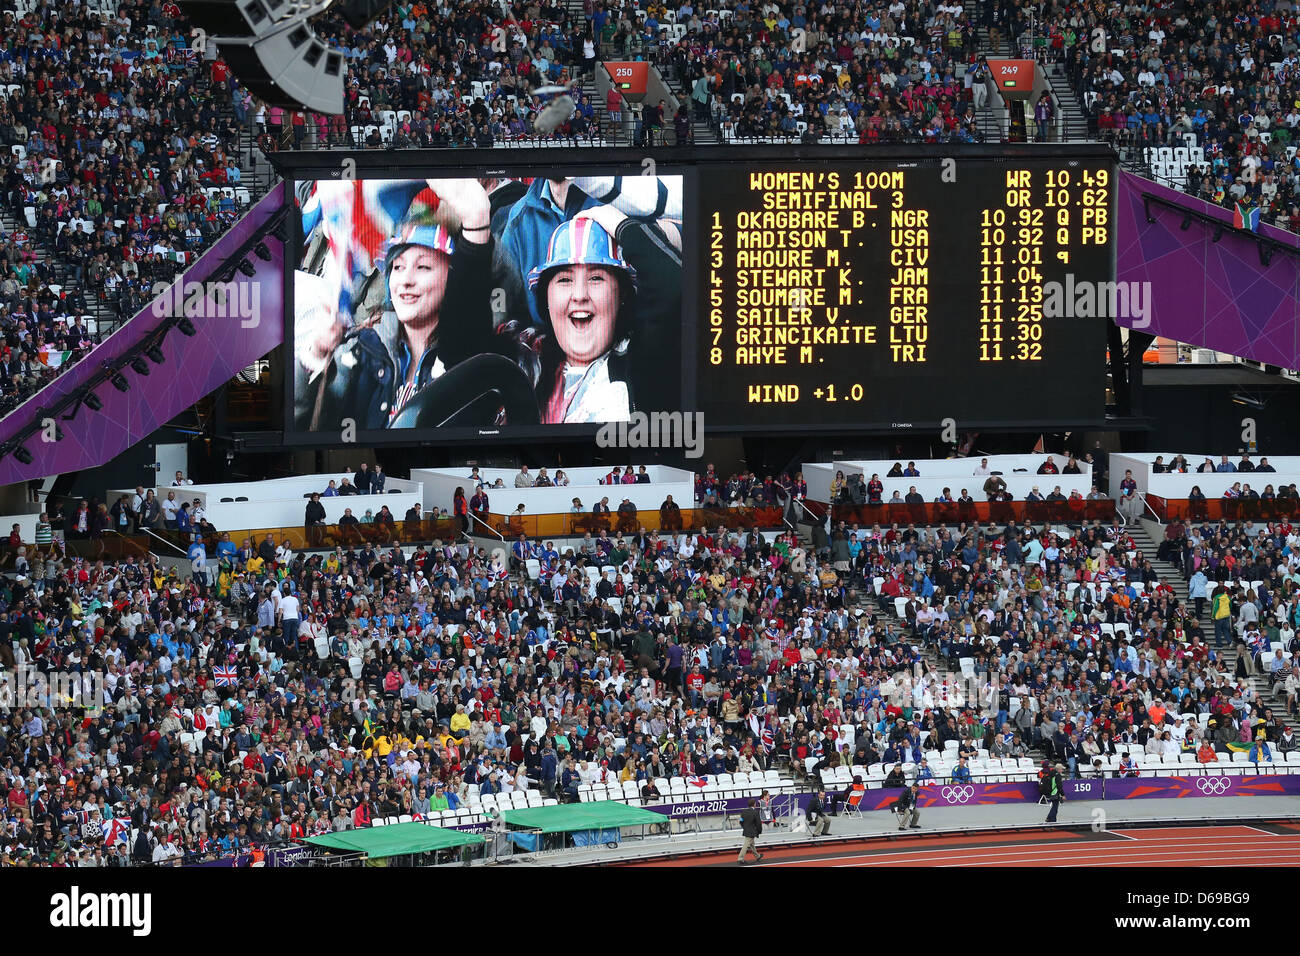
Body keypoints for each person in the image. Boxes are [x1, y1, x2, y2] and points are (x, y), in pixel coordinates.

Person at [501, 211, 681, 423]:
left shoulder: (645, 366)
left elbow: (674, 286)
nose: (579, 295)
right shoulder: (522, 358)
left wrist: (618, 223)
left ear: (621, 295)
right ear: (546, 297)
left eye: (596, 278)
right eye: (565, 280)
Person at [737, 798, 764, 865]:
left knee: (752, 844)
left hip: (746, 830)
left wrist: (744, 827)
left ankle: (757, 856)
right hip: (752, 831)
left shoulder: (743, 812)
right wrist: (759, 831)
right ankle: (740, 858)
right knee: (746, 845)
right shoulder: (755, 812)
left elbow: (741, 821)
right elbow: (758, 823)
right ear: (754, 804)